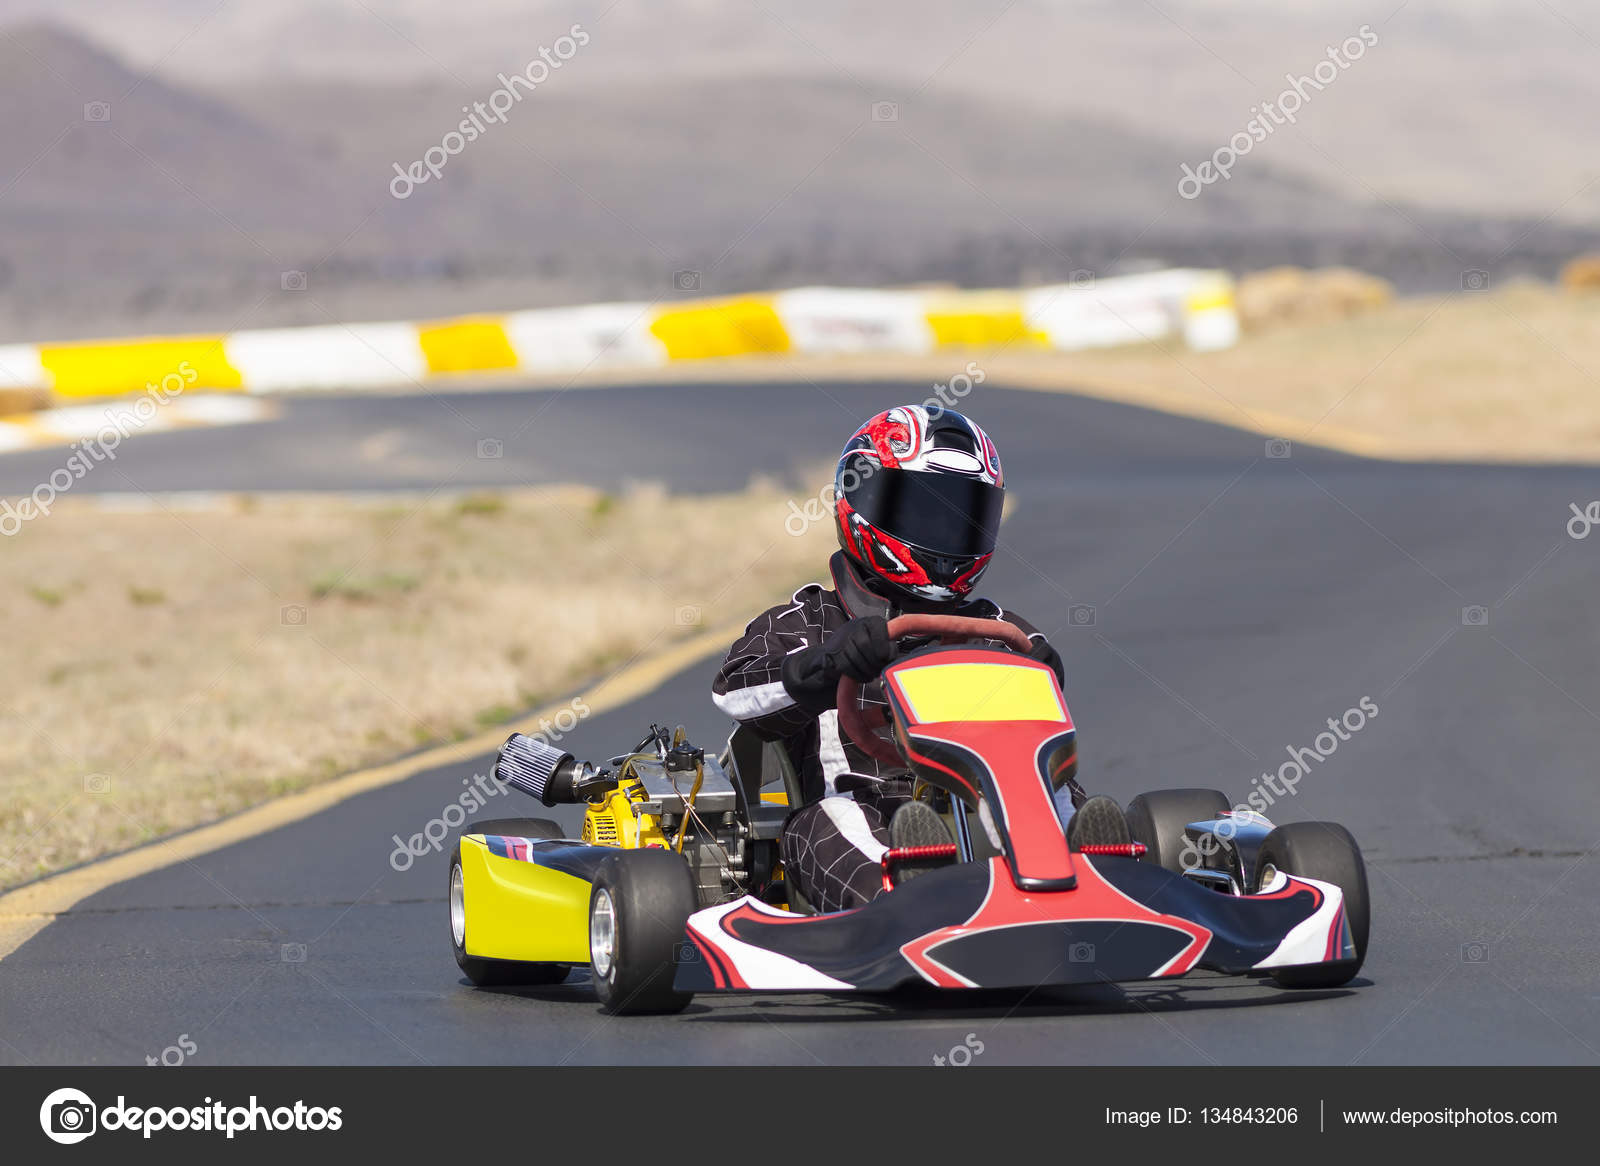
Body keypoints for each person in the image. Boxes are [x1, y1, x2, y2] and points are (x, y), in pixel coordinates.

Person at [712, 405, 1127, 913]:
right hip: (868, 807)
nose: (943, 535)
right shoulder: (813, 619)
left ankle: (1103, 875)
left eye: (960, 518)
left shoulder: (995, 627)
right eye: (925, 514)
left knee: (1056, 790)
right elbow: (733, 689)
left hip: (986, 802)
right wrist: (825, 665)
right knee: (829, 820)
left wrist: (1043, 670)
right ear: (861, 501)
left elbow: (1043, 693)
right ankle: (906, 896)